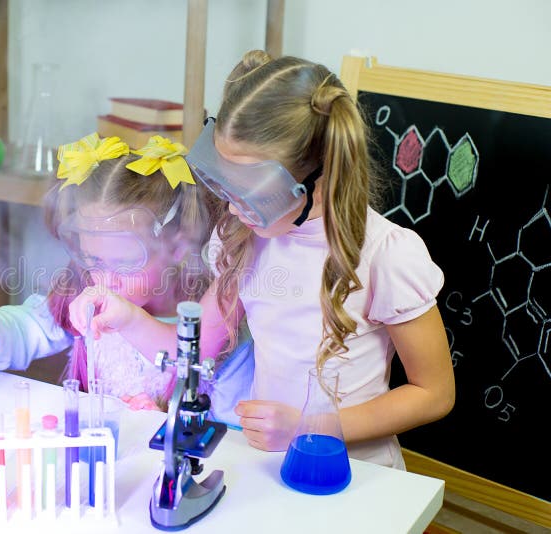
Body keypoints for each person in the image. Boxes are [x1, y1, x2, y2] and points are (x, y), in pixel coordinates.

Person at [68, 51, 455, 468]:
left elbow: (434, 394)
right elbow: (199, 349)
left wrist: (311, 427)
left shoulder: (385, 255)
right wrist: (124, 316)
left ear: (318, 177)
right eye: (228, 186)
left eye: (253, 194)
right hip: (270, 466)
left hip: (354, 474)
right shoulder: (246, 239)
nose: (234, 209)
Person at [0, 132, 219, 411]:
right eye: (94, 260)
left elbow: (230, 424)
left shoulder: (213, 322)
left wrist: (165, 420)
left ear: (178, 247)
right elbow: (30, 328)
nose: (106, 280)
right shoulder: (84, 294)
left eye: (125, 263)